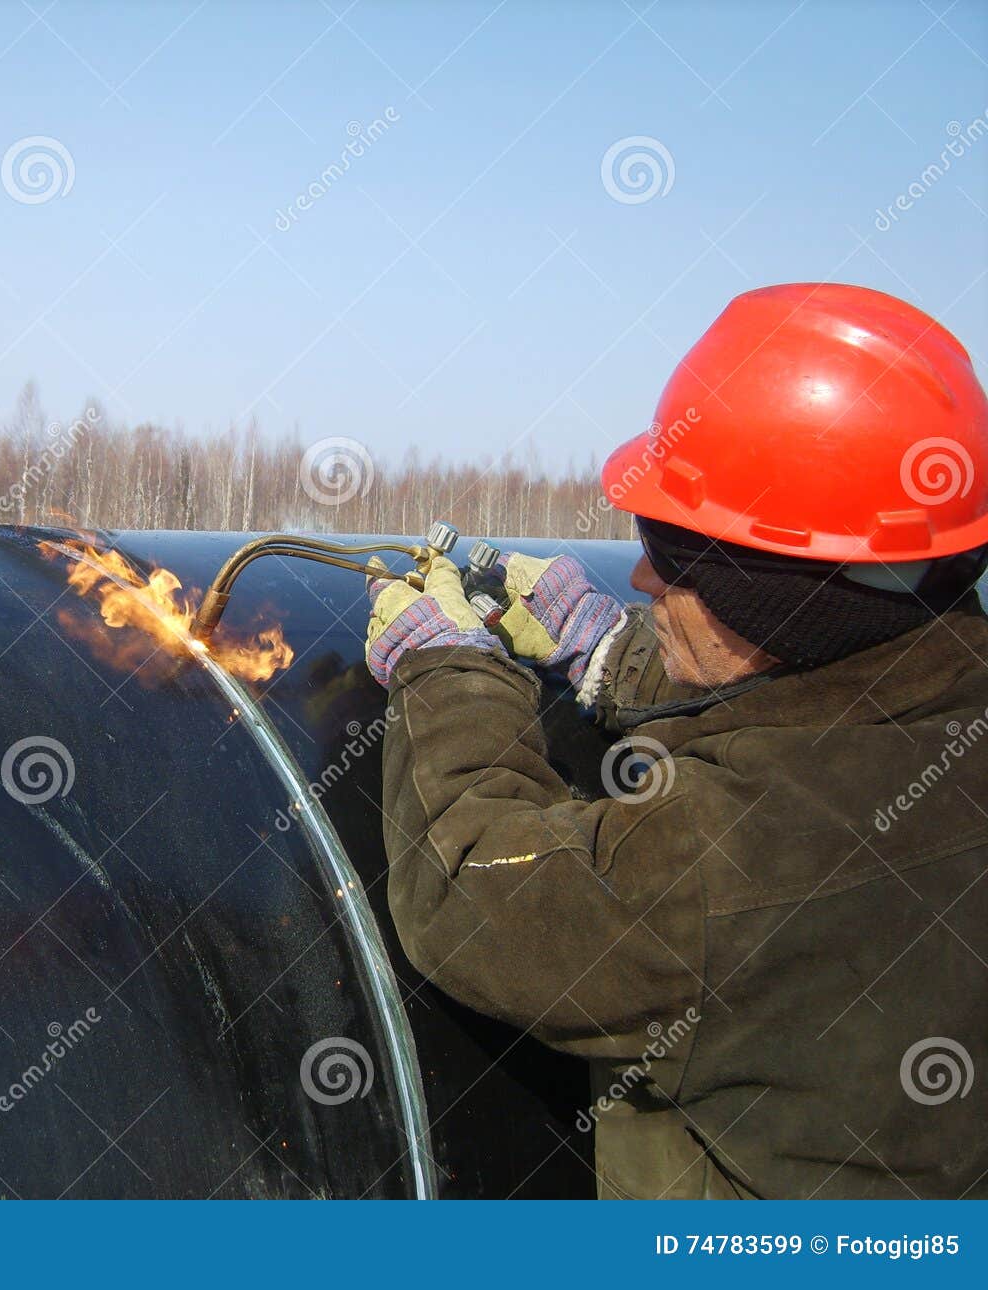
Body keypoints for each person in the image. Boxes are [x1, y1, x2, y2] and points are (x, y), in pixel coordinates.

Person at [365, 283, 988, 1199]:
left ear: (776, 600)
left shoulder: (729, 860)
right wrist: (610, 651)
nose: (646, 573)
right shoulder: (938, 686)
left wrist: (447, 673)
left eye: (681, 558)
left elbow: (469, 889)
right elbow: (806, 691)